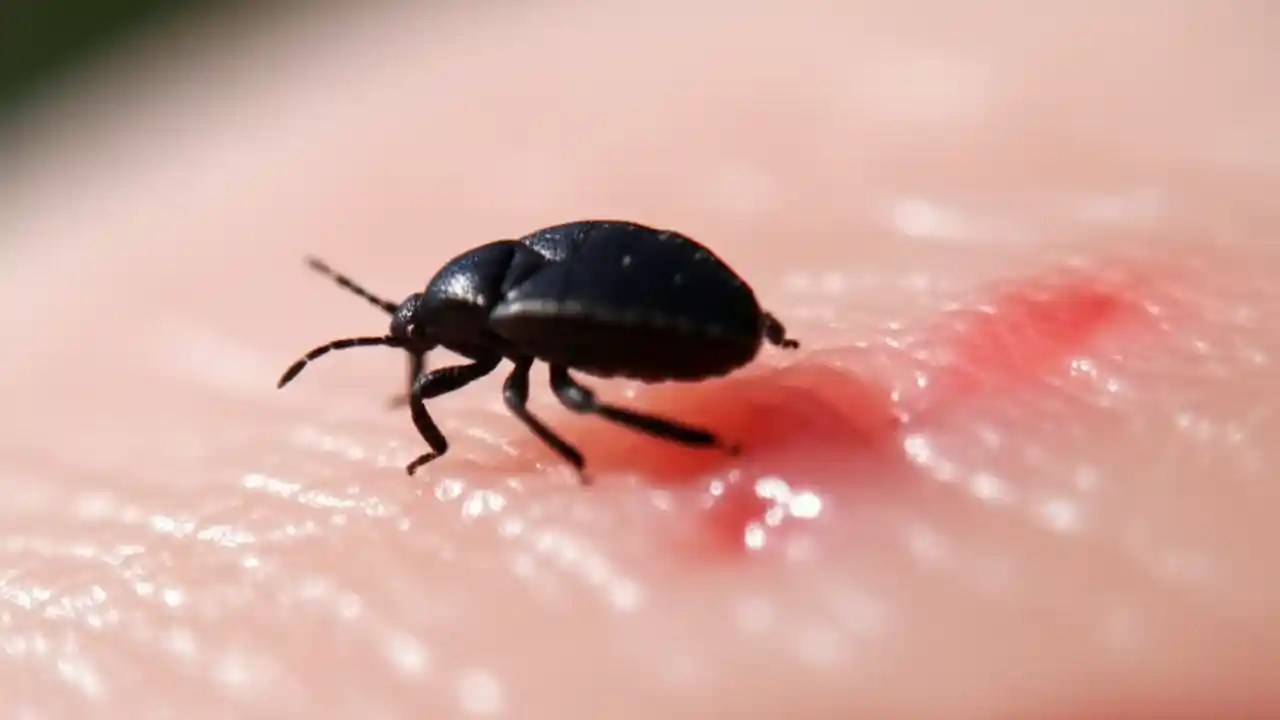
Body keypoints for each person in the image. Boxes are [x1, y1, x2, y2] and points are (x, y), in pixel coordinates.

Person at [1, 2, 1277, 716]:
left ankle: (712, 436)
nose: (414, 360)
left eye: (413, 341)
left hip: (678, 322)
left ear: (452, 325)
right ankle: (722, 414)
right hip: (678, 302)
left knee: (557, 402)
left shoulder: (502, 341)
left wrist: (597, 453)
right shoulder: (481, 299)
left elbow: (549, 401)